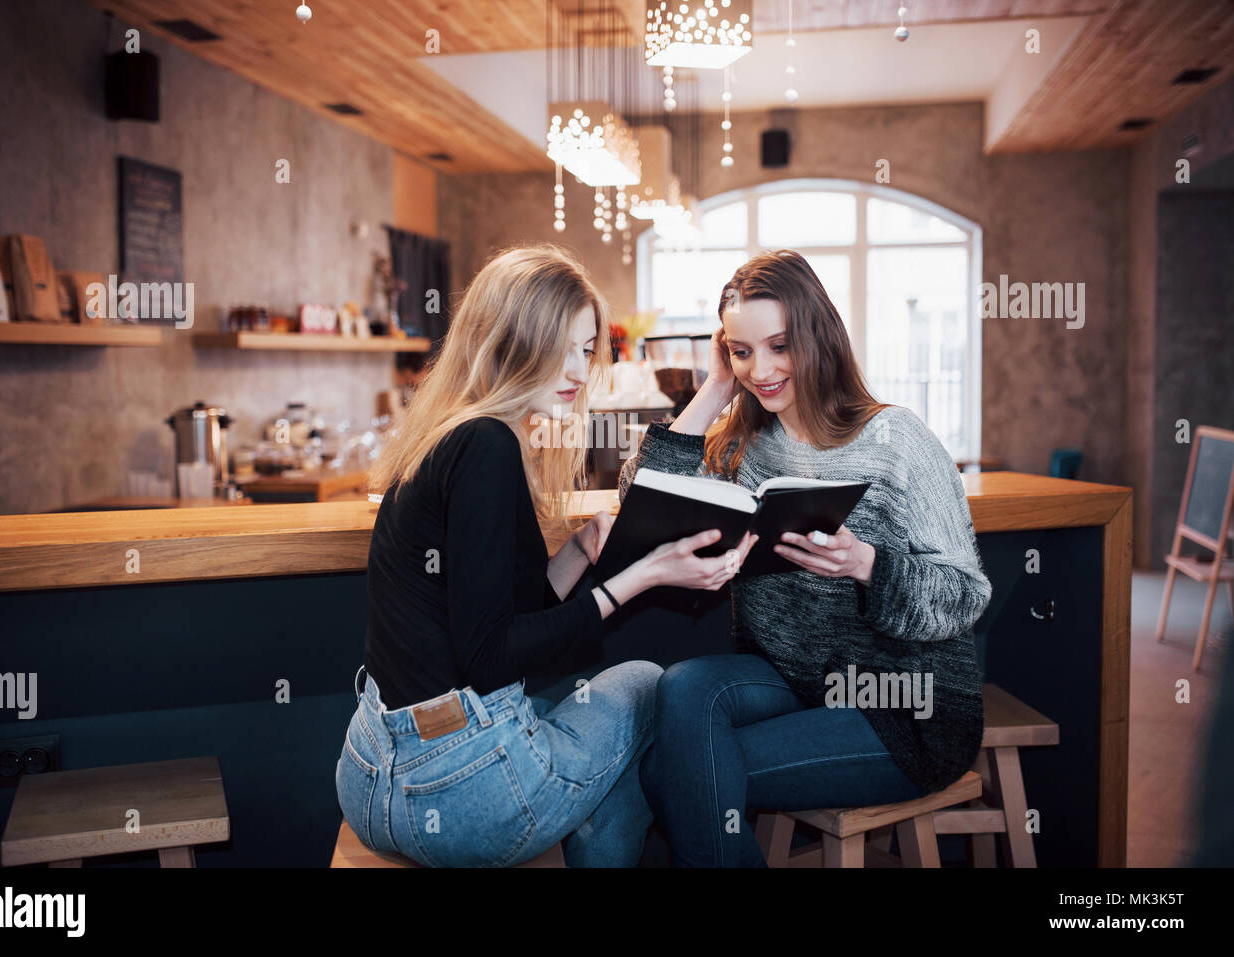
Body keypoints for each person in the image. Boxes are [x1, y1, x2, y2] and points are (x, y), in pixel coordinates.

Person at [335, 245, 756, 867]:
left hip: (369, 778)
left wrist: (580, 552)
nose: (580, 371)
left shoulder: (445, 436)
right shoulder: (488, 447)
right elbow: (491, 657)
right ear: (507, 341)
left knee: (595, 741)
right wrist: (645, 576)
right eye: (559, 347)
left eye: (587, 350)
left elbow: (502, 621)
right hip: (459, 794)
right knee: (644, 683)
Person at [621, 249, 993, 867]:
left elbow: (965, 596)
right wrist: (714, 389)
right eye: (741, 352)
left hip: (901, 706)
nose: (760, 370)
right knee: (684, 687)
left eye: (779, 346)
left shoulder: (896, 440)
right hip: (795, 679)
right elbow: (641, 502)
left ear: (817, 339)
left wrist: (867, 565)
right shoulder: (741, 446)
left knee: (673, 772)